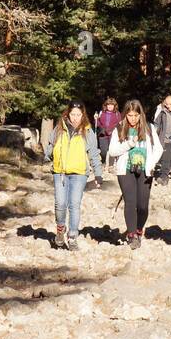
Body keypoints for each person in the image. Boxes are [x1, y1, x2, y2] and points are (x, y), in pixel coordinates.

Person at [44, 101, 103, 250]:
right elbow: (50, 146)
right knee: (60, 203)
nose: (75, 118)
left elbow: (94, 153)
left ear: (83, 115)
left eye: (78, 114)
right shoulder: (59, 129)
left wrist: (98, 174)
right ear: (67, 114)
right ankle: (60, 229)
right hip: (60, 172)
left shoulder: (88, 131)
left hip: (79, 173)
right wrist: (49, 156)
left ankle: (72, 237)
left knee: (74, 205)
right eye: (73, 114)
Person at [108, 100, 163, 249]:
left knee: (142, 205)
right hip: (125, 170)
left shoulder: (149, 128)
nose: (132, 119)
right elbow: (112, 151)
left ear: (141, 114)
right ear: (125, 115)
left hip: (145, 170)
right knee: (130, 203)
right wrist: (128, 144)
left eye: (136, 115)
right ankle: (132, 235)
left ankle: (139, 229)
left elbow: (158, 149)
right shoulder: (119, 128)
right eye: (129, 115)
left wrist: (151, 164)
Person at [154, 93, 171, 184]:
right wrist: (155, 135)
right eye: (166, 104)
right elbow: (157, 124)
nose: (168, 106)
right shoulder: (162, 113)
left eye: (170, 104)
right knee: (165, 159)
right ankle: (164, 178)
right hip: (166, 139)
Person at [95, 96, 122, 164]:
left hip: (113, 135)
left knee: (112, 150)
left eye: (112, 105)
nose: (110, 106)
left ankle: (111, 165)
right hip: (103, 134)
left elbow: (119, 124)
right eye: (108, 105)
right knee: (103, 151)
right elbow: (97, 123)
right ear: (106, 105)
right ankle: (104, 161)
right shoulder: (101, 112)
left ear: (114, 106)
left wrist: (115, 129)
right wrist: (95, 119)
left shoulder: (117, 114)